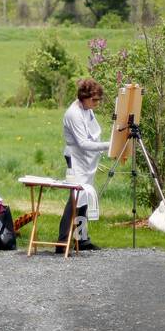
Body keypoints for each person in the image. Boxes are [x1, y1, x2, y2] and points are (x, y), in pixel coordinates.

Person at [57, 77, 106, 252]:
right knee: (75, 199)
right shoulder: (74, 113)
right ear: (83, 97)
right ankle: (62, 241)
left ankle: (81, 238)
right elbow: (83, 143)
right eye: (94, 100)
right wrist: (109, 146)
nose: (96, 103)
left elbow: (93, 134)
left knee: (84, 198)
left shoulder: (87, 109)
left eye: (98, 100)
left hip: (87, 159)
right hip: (76, 158)